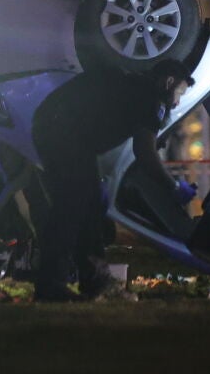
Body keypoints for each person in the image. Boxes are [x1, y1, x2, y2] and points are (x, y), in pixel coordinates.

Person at [31, 60, 195, 302]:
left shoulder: (134, 86)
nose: (178, 102)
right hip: (64, 136)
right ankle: (52, 285)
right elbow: (145, 152)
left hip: (58, 129)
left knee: (88, 205)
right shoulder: (152, 100)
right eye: (179, 92)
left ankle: (94, 282)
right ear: (168, 82)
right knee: (71, 208)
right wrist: (173, 187)